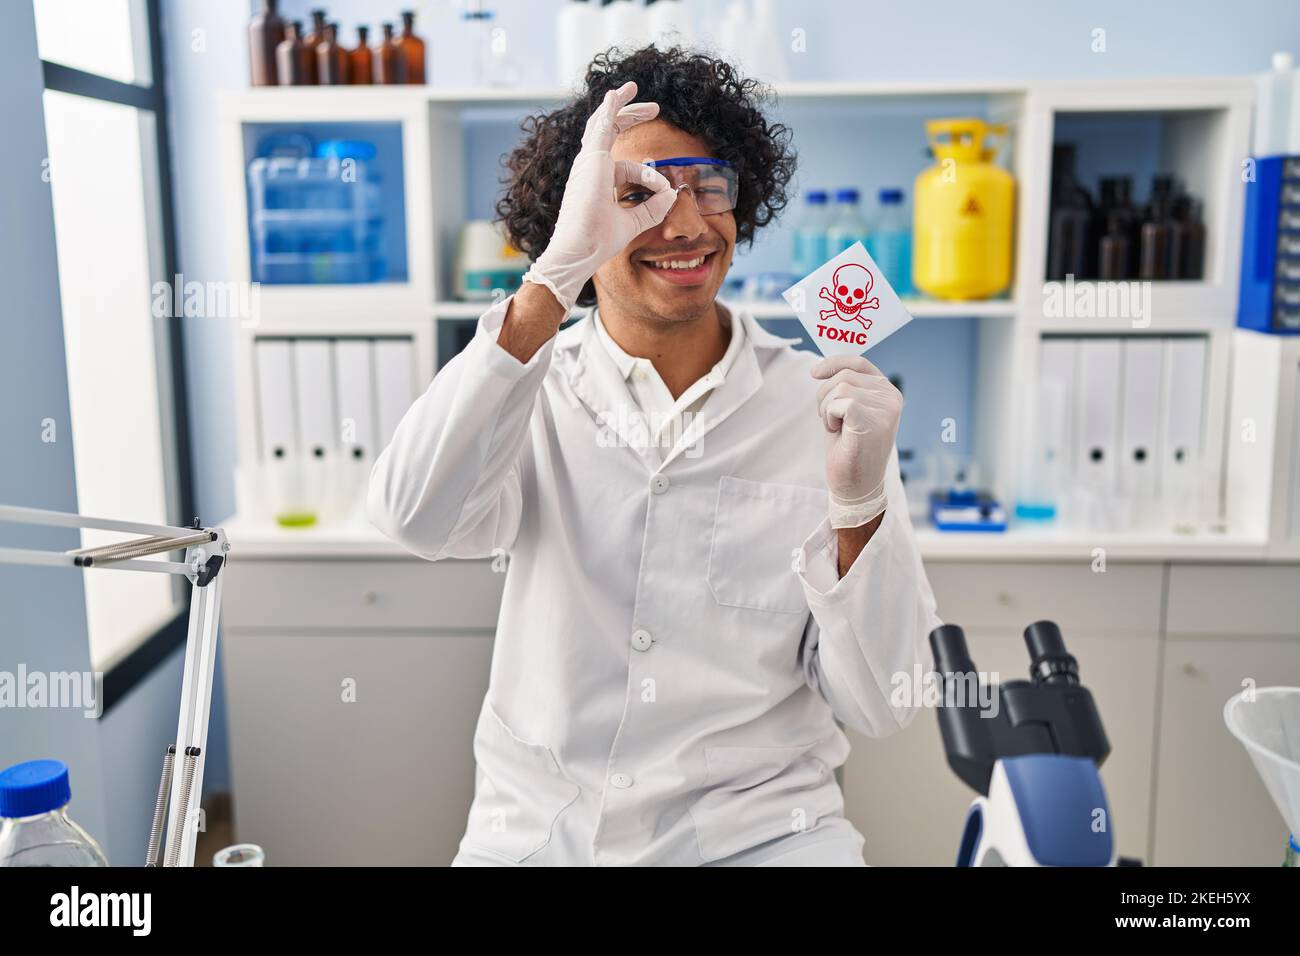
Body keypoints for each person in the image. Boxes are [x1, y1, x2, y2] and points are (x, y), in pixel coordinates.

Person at [368, 46, 940, 866]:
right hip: (540, 831)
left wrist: (857, 508)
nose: (685, 224)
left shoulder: (823, 409)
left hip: (762, 835)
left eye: (709, 185)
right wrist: (554, 276)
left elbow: (886, 701)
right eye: (637, 194)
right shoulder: (526, 387)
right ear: (574, 217)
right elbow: (415, 519)